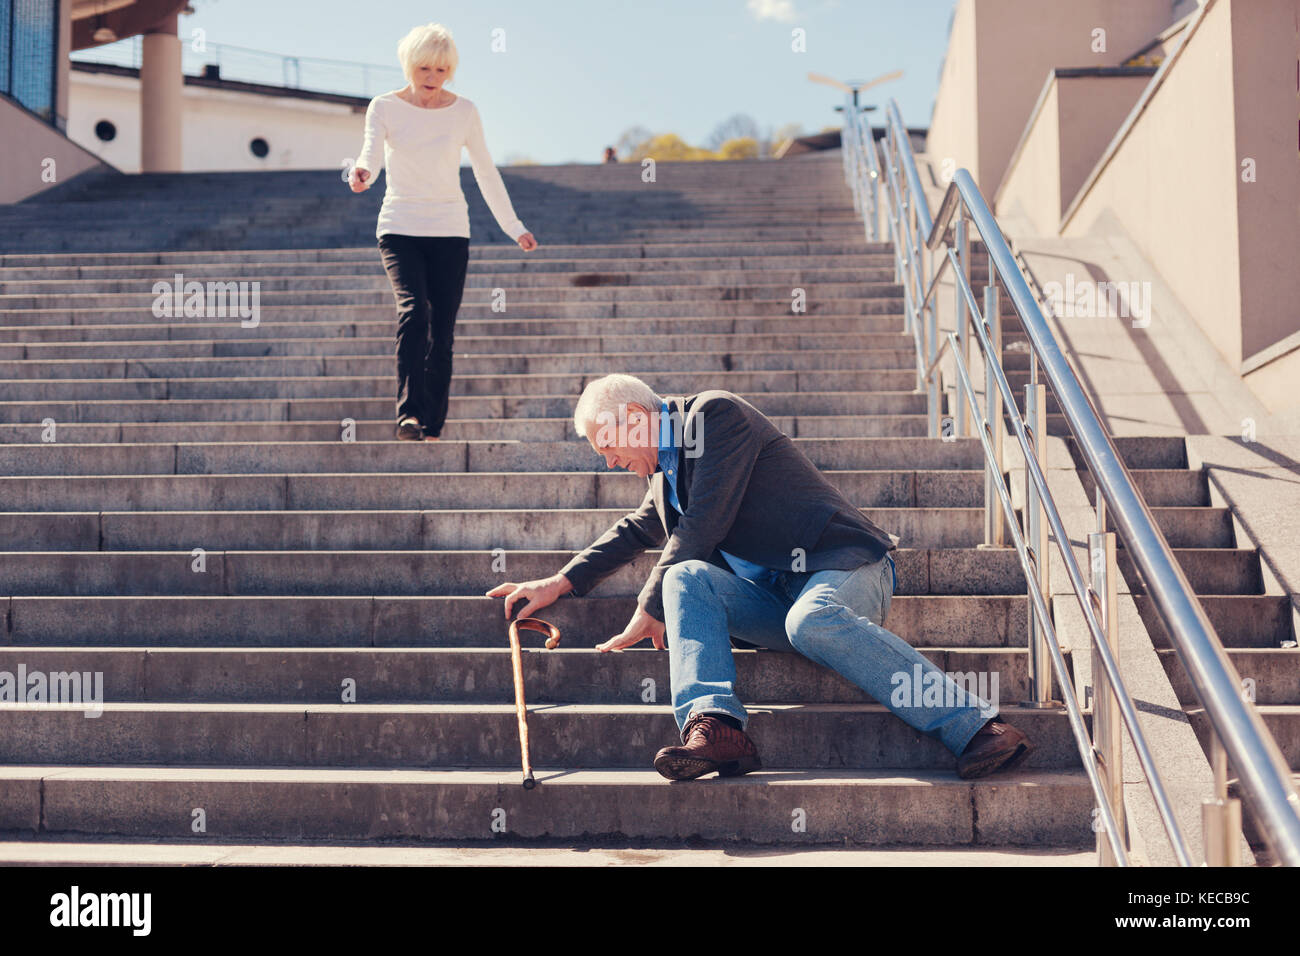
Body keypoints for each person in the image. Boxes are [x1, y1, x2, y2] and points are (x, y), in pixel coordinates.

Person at [486, 373, 1033, 781]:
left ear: (633, 417)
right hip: (778, 600)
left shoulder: (714, 418)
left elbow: (702, 525)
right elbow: (636, 531)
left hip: (844, 567)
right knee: (687, 581)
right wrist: (556, 584)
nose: (608, 463)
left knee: (808, 618)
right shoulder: (668, 475)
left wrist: (646, 609)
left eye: (607, 447)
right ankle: (716, 726)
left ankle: (978, 727)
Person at [348, 22, 537, 441]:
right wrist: (360, 175)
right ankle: (409, 414)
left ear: (449, 70)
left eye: (440, 70)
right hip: (399, 227)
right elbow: (370, 156)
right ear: (408, 66)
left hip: (450, 230)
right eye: (423, 69)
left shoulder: (465, 111)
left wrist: (514, 226)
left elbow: (486, 171)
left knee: (443, 331)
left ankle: (432, 422)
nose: (431, 79)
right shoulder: (384, 106)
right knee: (415, 312)